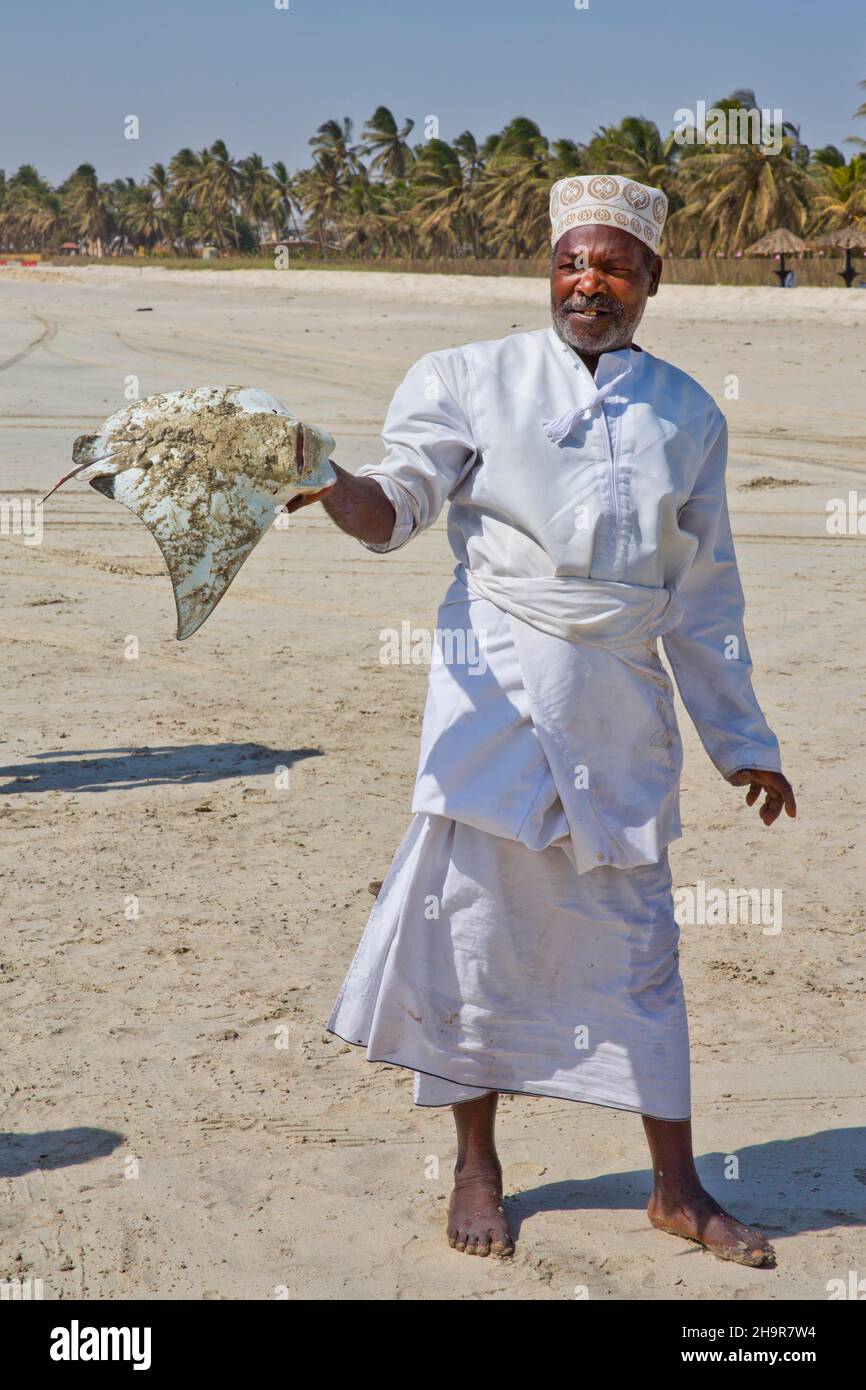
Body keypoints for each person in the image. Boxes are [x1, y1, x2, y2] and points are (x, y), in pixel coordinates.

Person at [288, 173, 797, 1268]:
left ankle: (676, 1187)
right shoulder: (467, 377)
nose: (587, 282)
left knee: (641, 948)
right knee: (476, 933)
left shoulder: (687, 413)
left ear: (651, 277)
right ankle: (477, 1164)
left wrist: (741, 743)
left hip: (619, 707)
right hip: (495, 693)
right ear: (547, 269)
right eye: (571, 261)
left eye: (612, 264)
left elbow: (703, 598)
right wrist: (331, 484)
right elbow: (395, 507)